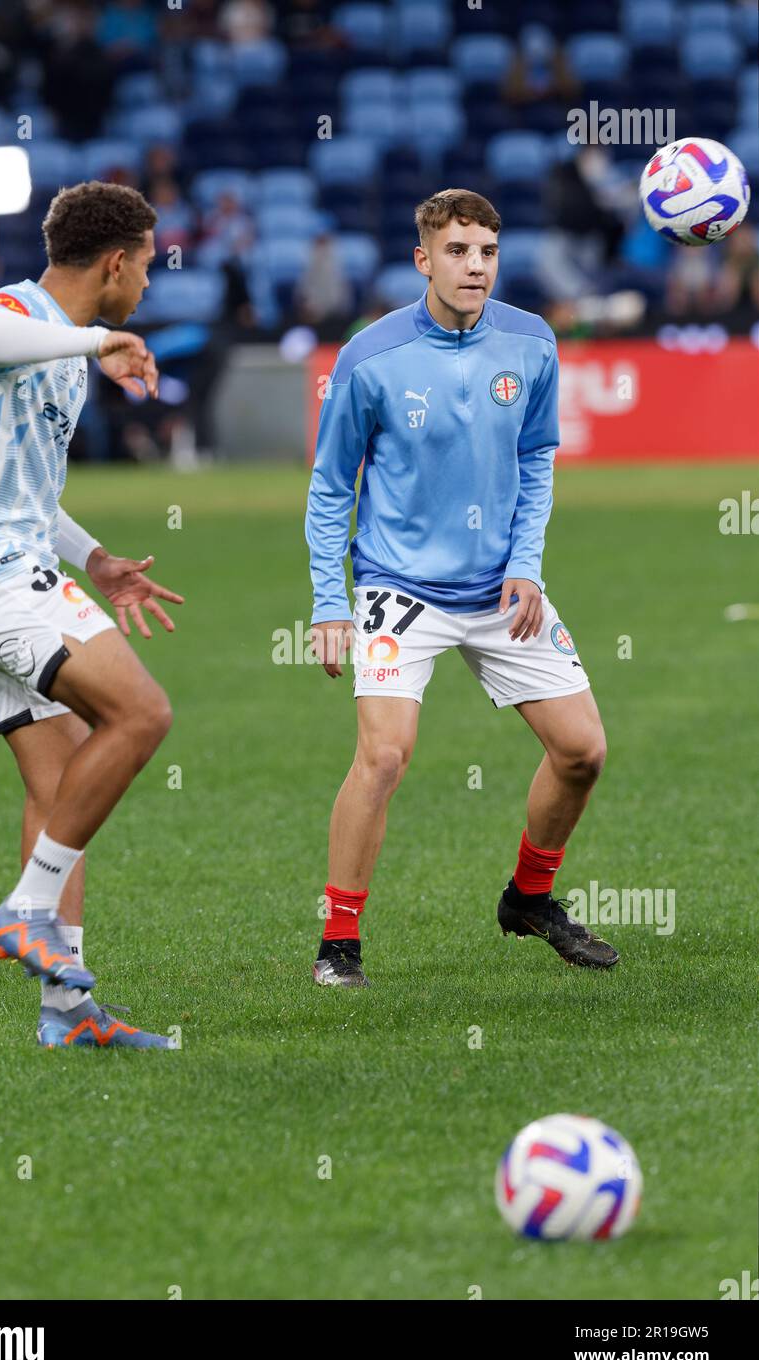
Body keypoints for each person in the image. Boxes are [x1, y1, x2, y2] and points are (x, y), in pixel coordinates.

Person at [304, 188, 617, 987]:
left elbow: (536, 461)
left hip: (500, 591)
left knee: (583, 752)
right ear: (424, 260)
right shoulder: (369, 358)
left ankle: (529, 898)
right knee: (384, 757)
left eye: (486, 253)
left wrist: (526, 565)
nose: (474, 266)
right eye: (457, 251)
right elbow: (331, 487)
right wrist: (330, 602)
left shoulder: (531, 341)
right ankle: (339, 944)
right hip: (397, 589)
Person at [0, 180, 184, 1047]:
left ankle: (66, 1013)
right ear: (113, 264)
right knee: (141, 713)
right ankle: (25, 910)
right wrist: (100, 337)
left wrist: (96, 559)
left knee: (61, 779)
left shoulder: (60, 351)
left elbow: (26, 487)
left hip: (8, 564)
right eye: (144, 268)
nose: (147, 284)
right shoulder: (11, 314)